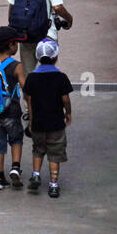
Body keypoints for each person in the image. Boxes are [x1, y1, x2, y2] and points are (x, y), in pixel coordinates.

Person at [24, 38, 73, 198]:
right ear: (56, 57)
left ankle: (36, 174)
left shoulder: (31, 78)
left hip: (38, 122)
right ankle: (53, 184)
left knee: (38, 150)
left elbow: (29, 100)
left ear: (37, 57)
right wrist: (68, 113)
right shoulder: (61, 77)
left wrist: (30, 121)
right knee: (55, 153)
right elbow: (65, 99)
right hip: (56, 123)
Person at [0, 27, 28, 189]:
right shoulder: (16, 65)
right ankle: (15, 167)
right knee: (16, 138)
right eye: (15, 43)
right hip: (12, 111)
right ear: (11, 46)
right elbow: (25, 88)